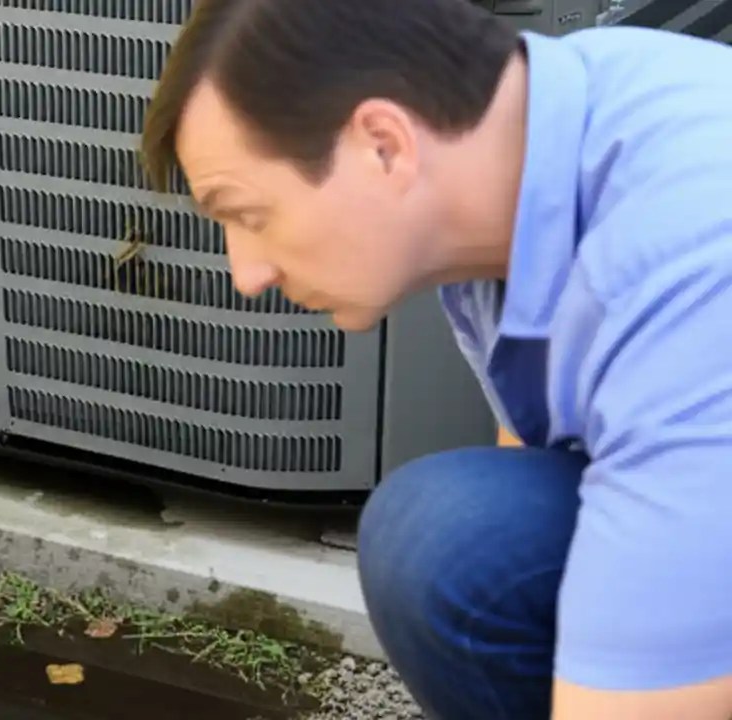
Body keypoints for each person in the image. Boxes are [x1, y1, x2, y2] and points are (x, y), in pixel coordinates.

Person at [140, 0, 732, 718]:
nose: (247, 273)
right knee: (462, 536)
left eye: (247, 214)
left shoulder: (683, 263)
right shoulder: (519, 152)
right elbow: (532, 466)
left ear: (383, 144)